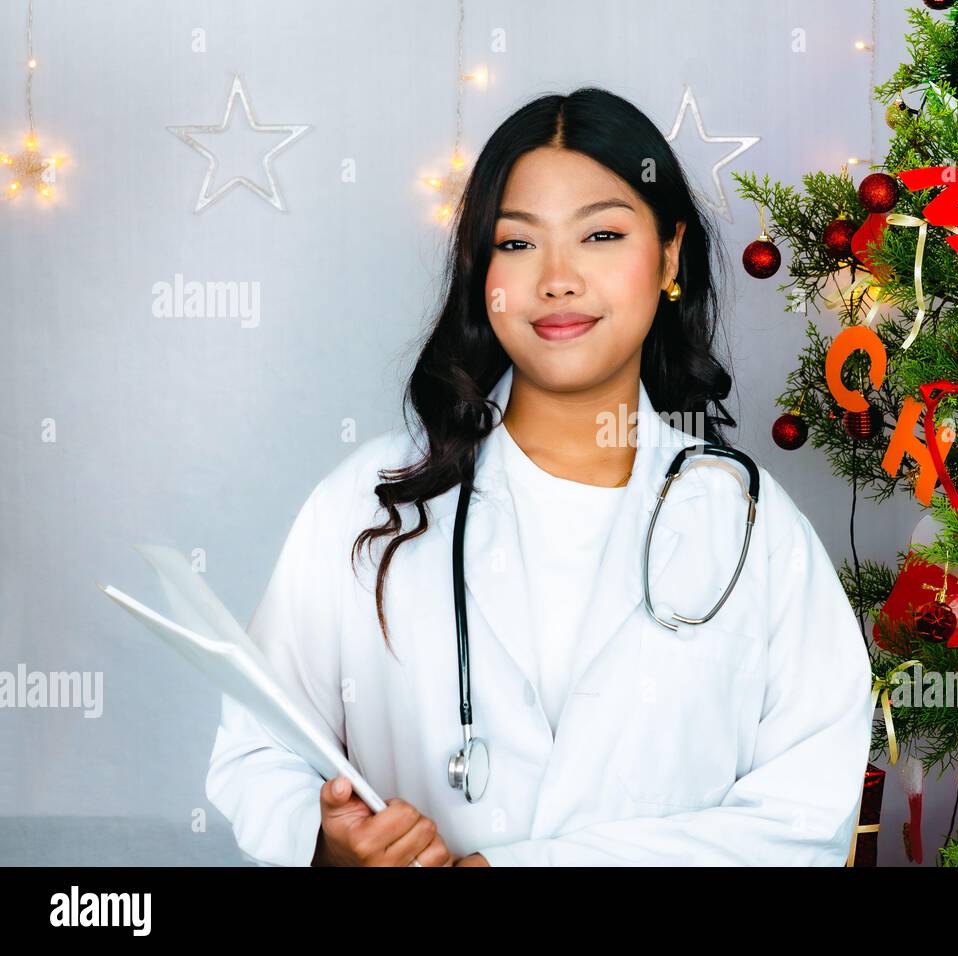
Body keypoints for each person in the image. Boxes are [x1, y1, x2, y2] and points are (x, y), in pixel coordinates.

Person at [206, 86, 873, 867]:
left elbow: (803, 821)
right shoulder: (369, 500)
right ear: (480, 269)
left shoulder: (753, 528)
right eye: (517, 243)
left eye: (600, 235)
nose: (557, 279)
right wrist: (326, 843)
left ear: (668, 257)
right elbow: (257, 751)